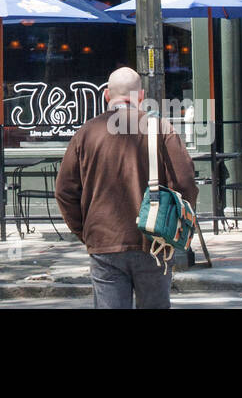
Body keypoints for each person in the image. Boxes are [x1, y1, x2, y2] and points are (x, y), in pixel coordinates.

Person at [54, 66, 197, 309]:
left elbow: (65, 191)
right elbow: (185, 185)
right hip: (155, 240)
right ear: (141, 97)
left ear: (107, 96)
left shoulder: (86, 133)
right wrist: (177, 228)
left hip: (104, 241)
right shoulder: (161, 129)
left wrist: (86, 232)